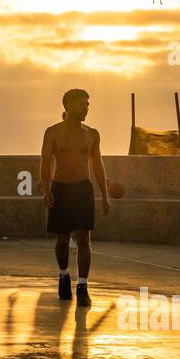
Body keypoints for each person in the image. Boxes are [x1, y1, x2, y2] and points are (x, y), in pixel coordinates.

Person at [39, 88, 111, 308]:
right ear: (68, 106)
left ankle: (82, 285)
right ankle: (63, 275)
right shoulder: (53, 132)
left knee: (84, 239)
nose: (86, 108)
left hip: (83, 190)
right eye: (82, 104)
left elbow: (98, 165)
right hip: (61, 189)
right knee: (62, 239)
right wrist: (47, 190)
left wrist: (105, 195)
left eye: (87, 104)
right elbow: (45, 162)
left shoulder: (92, 134)